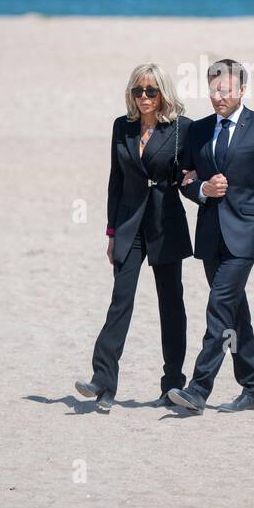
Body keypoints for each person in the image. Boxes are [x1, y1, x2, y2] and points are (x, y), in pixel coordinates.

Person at [168, 58, 254, 413]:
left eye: (226, 90)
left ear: (242, 90)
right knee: (235, 314)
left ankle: (198, 389)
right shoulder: (199, 130)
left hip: (246, 236)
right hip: (209, 236)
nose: (219, 97)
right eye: (213, 90)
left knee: (219, 308)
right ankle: (253, 388)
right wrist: (204, 189)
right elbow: (184, 180)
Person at [76, 64, 192, 413]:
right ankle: (103, 383)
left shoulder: (181, 129)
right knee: (120, 302)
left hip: (165, 224)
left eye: (151, 91)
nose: (144, 97)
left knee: (171, 306)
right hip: (128, 226)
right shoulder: (121, 128)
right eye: (138, 90)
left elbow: (192, 174)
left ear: (163, 94)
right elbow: (116, 182)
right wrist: (111, 232)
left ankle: (173, 385)